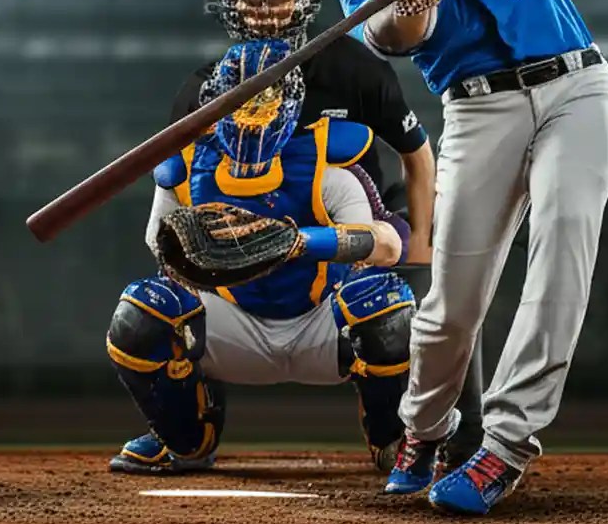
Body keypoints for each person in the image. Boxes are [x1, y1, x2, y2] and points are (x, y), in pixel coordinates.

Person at [285, 0, 608, 515]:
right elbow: (394, 39)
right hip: (479, 112)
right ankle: (423, 431)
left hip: (580, 87)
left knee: (563, 242)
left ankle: (504, 445)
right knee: (452, 303)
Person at [106, 37, 417, 475]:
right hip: (234, 324)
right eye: (241, 95)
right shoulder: (185, 168)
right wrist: (208, 256)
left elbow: (386, 245)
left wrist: (300, 243)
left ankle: (390, 436)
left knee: (385, 303)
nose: (253, 110)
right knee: (142, 311)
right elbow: (162, 250)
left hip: (316, 325)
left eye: (266, 95)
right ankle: (185, 438)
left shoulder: (324, 166)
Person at [174, 0, 436, 262]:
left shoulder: (357, 69)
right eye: (253, 1)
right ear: (233, 9)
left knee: (393, 242)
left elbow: (416, 152)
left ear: (301, 5)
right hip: (246, 226)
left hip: (347, 218)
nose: (266, 12)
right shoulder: (205, 87)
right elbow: (182, 177)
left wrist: (421, 241)